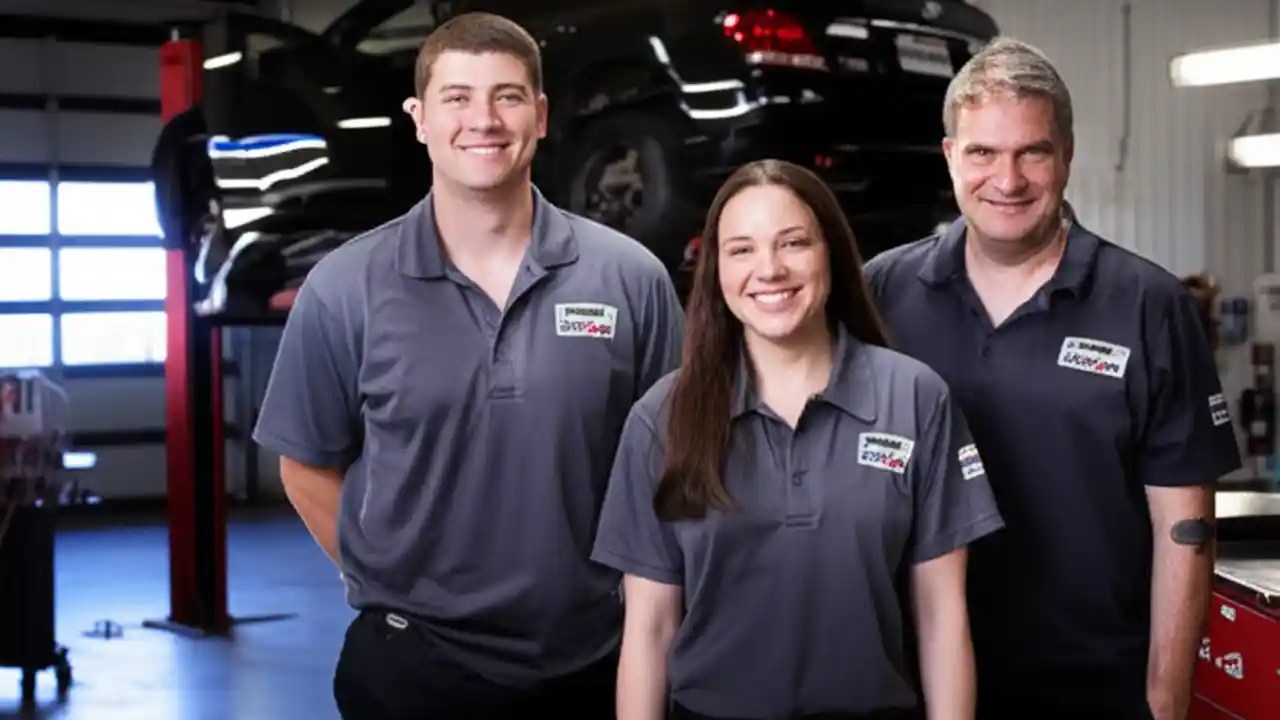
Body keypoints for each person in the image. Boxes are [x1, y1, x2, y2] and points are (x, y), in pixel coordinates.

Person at [251, 12, 685, 719]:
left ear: (541, 116)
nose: (483, 119)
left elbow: (672, 468)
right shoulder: (345, 286)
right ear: (419, 118)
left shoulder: (629, 279)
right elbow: (304, 467)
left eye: (507, 96)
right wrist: (393, 579)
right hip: (413, 667)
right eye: (456, 97)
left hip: (596, 663)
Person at [864, 37, 1242, 720]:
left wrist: (1165, 702)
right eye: (982, 152)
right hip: (910, 687)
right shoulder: (882, 293)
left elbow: (1184, 530)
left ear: (1066, 155)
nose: (1007, 180)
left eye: (1032, 151)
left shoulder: (1147, 306)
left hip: (1093, 688)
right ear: (950, 155)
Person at [590, 158, 1005, 720]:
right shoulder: (662, 416)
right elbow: (650, 628)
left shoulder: (915, 398)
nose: (770, 269)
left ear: (830, 252)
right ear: (715, 270)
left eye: (793, 243)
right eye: (742, 250)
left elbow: (941, 615)